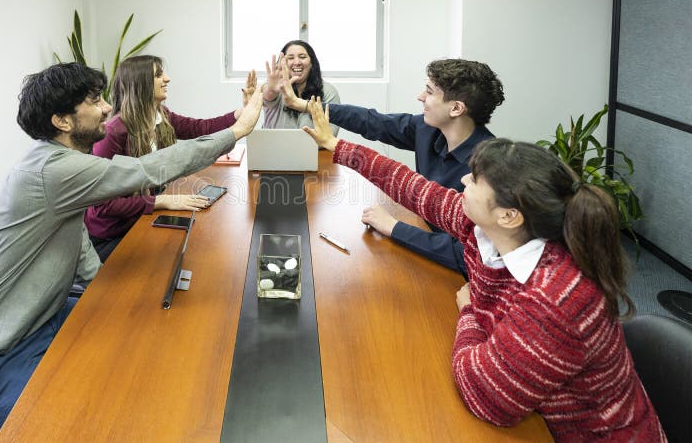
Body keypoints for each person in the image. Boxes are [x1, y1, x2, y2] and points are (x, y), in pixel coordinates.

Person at [0, 63, 263, 434]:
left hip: (33, 329)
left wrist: (115, 291)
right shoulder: (53, 171)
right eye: (94, 101)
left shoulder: (59, 165)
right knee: (103, 419)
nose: (106, 108)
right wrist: (237, 130)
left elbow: (79, 242)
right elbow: (147, 170)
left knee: (135, 330)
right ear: (62, 121)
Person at [303, 101, 666, 442]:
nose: (463, 181)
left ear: (509, 215)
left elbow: (487, 397)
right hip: (535, 414)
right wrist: (336, 145)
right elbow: (414, 189)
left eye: (475, 180)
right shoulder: (487, 230)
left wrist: (470, 312)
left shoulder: (556, 298)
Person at [280, 59, 504, 277]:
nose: (420, 97)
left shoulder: (490, 169)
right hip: (421, 239)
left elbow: (469, 254)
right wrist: (305, 106)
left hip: (451, 271)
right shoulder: (427, 130)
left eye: (429, 91)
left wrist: (393, 227)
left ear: (456, 108)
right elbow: (372, 121)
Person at [84, 55, 257, 261]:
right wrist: (162, 201)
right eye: (158, 74)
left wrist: (242, 112)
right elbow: (104, 206)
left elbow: (199, 128)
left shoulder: (161, 115)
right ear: (140, 83)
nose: (167, 79)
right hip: (112, 235)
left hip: (141, 218)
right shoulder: (114, 132)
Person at [262, 40, 340, 135]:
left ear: (312, 63)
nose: (297, 62)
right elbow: (267, 98)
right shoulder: (274, 86)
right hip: (274, 147)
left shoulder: (328, 90)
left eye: (302, 57)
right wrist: (271, 90)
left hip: (315, 148)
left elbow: (331, 134)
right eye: (290, 58)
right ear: (283, 63)